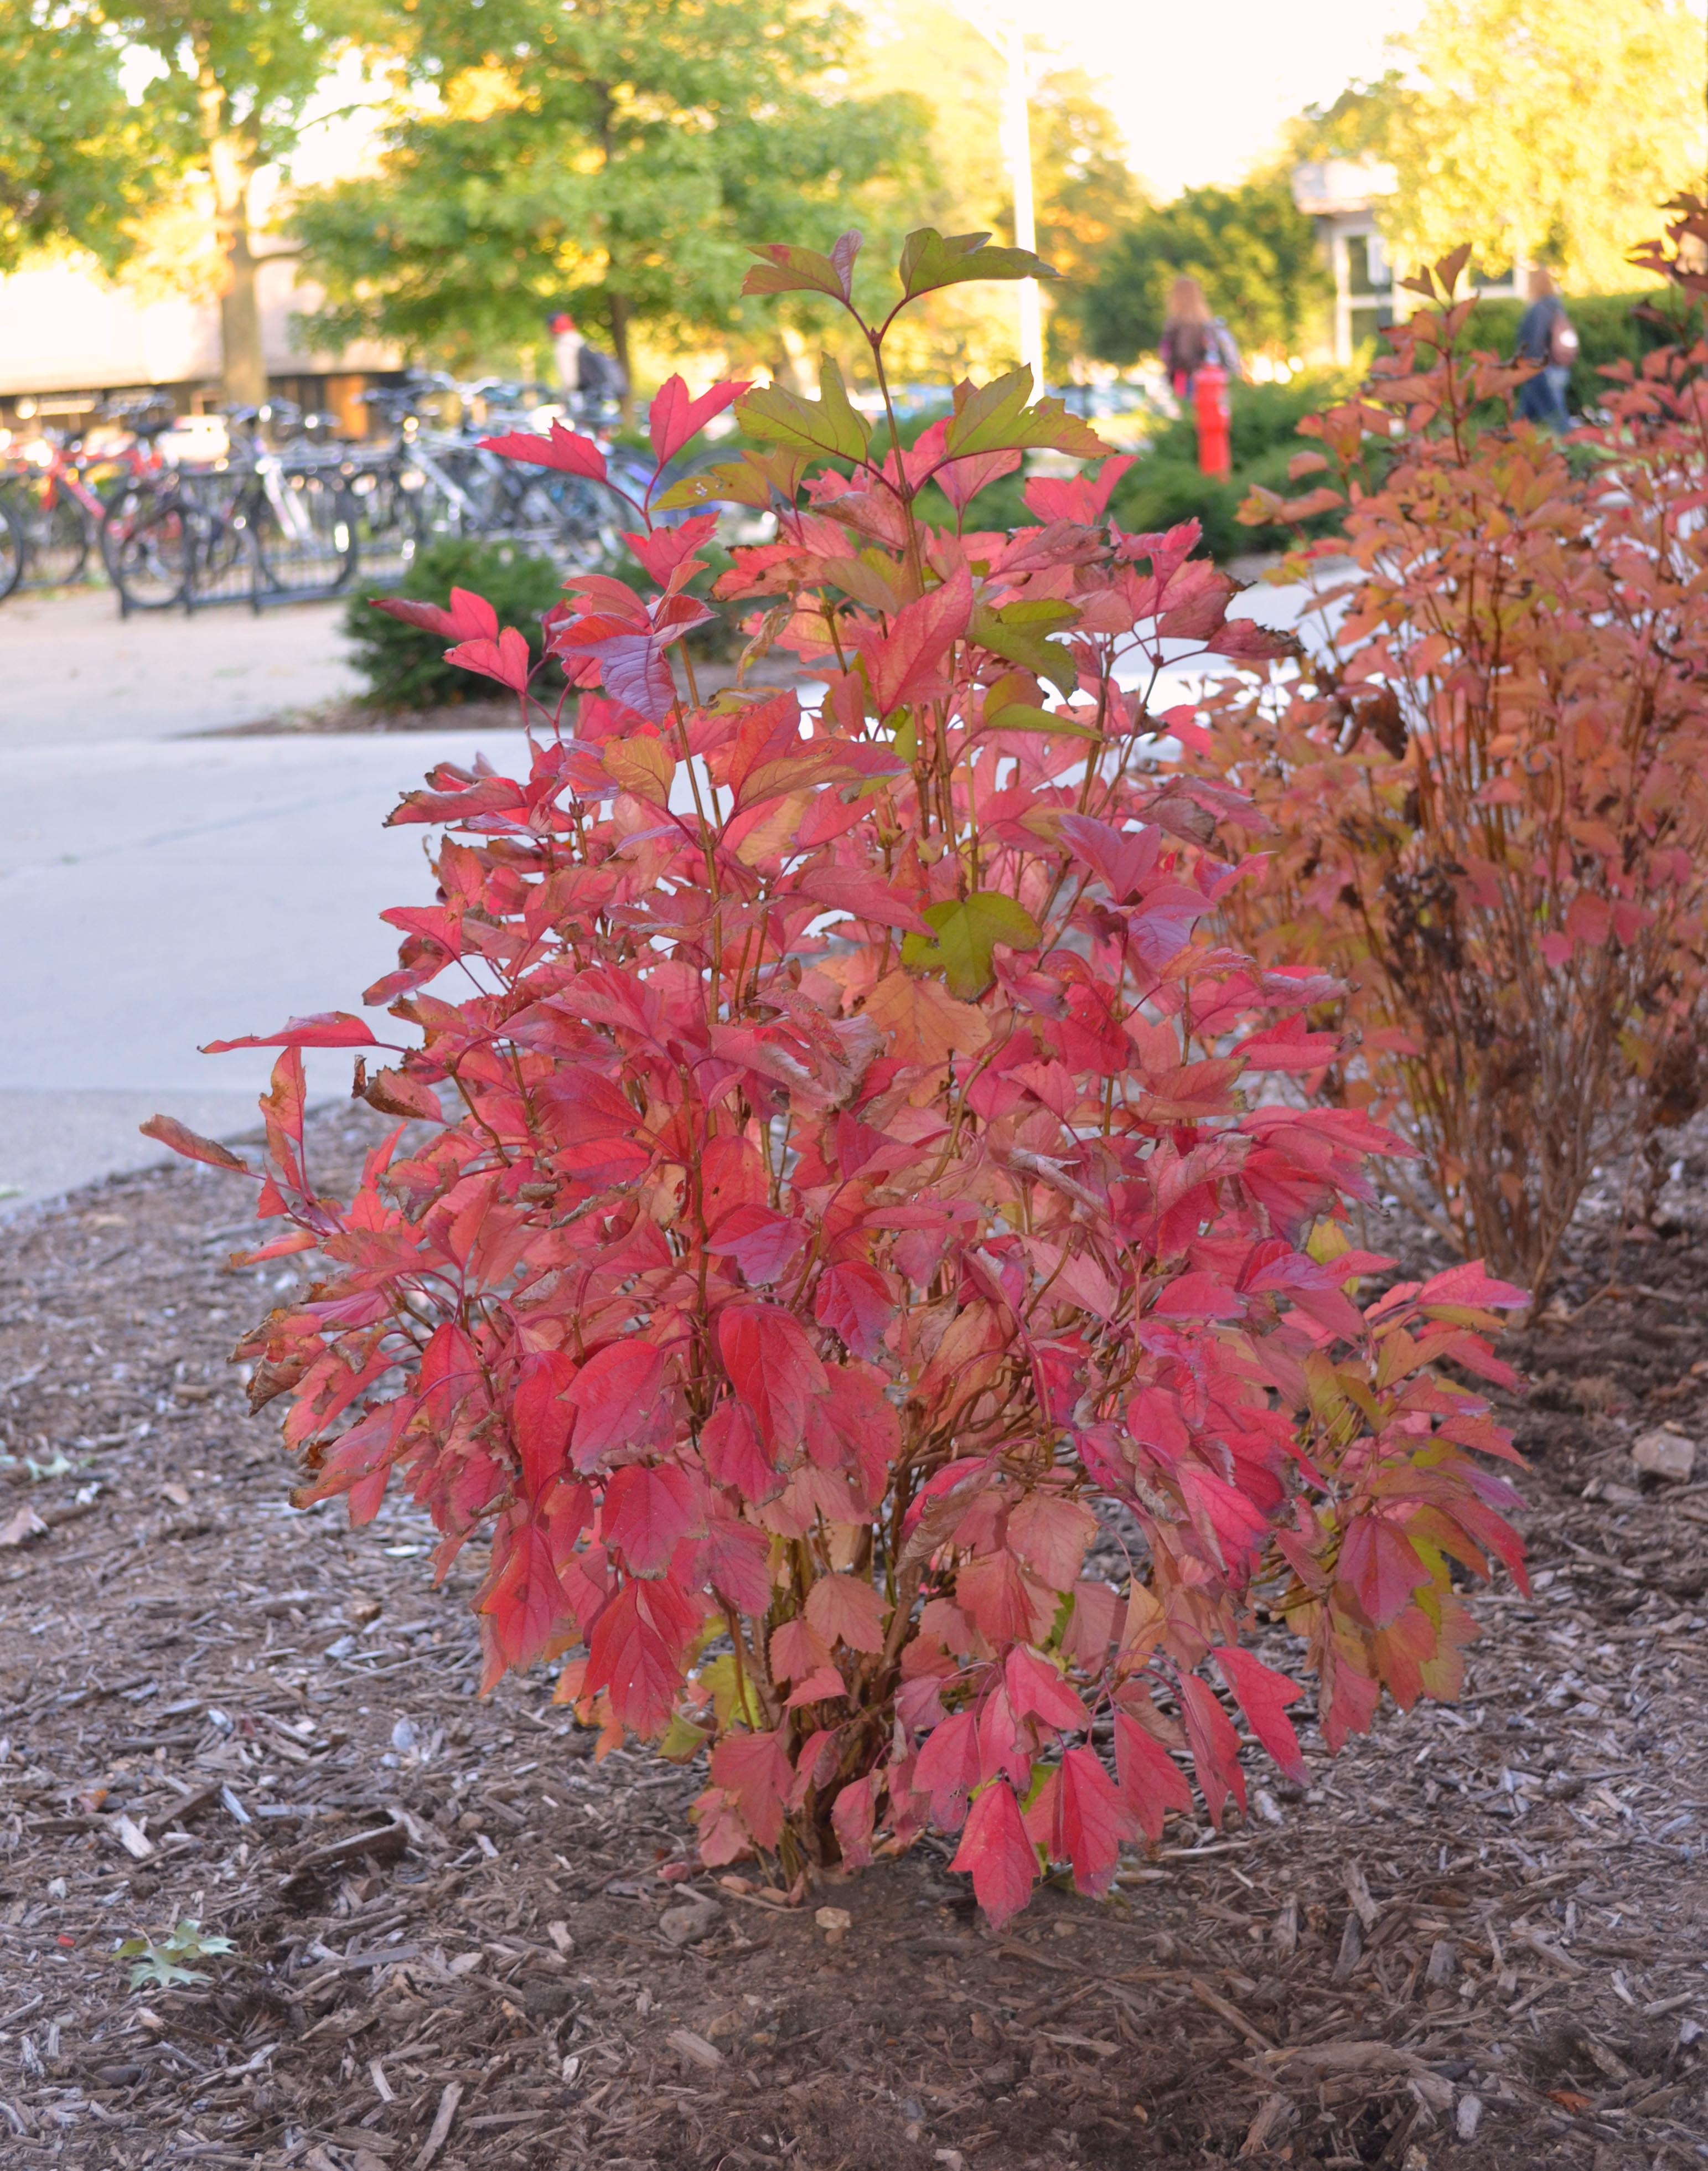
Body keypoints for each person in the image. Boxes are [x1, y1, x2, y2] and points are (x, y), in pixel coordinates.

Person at [1158, 275, 1241, 402]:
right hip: (1210, 379)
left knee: (1192, 418)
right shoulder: (1206, 323)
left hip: (1189, 380)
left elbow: (1184, 353)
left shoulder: (1181, 324)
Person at [1515, 268, 1576, 431]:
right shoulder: (1555, 307)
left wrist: (1527, 366)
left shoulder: (1539, 309)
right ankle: (1509, 445)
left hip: (1540, 369)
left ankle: (1577, 451)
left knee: (1556, 418)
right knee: (1526, 416)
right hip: (1557, 367)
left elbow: (1533, 343)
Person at [546, 309, 628, 413]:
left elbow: (570, 381)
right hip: (602, 397)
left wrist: (562, 400)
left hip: (586, 401)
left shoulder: (564, 347)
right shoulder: (580, 341)